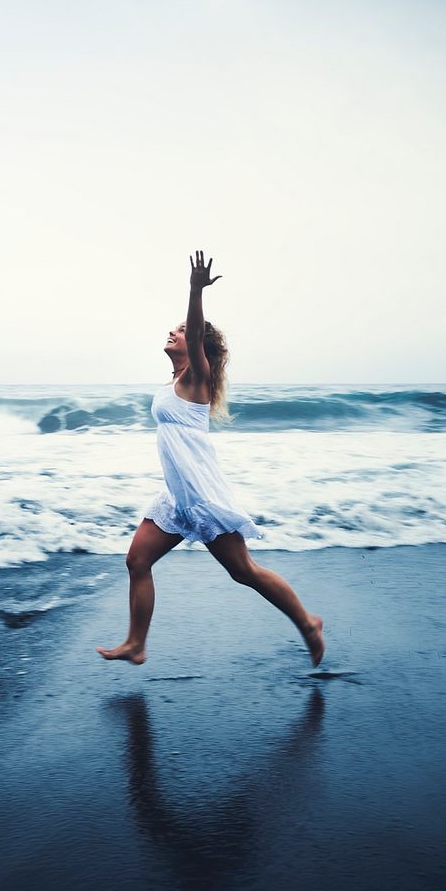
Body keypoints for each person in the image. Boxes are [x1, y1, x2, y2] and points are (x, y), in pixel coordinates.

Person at [96, 251, 325, 667]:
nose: (173, 331)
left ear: (199, 344)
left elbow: (198, 327)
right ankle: (136, 643)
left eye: (182, 330)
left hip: (201, 496)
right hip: (177, 497)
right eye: (175, 328)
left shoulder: (196, 378)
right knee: (137, 560)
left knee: (244, 572)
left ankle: (308, 623)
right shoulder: (175, 383)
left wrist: (195, 291)